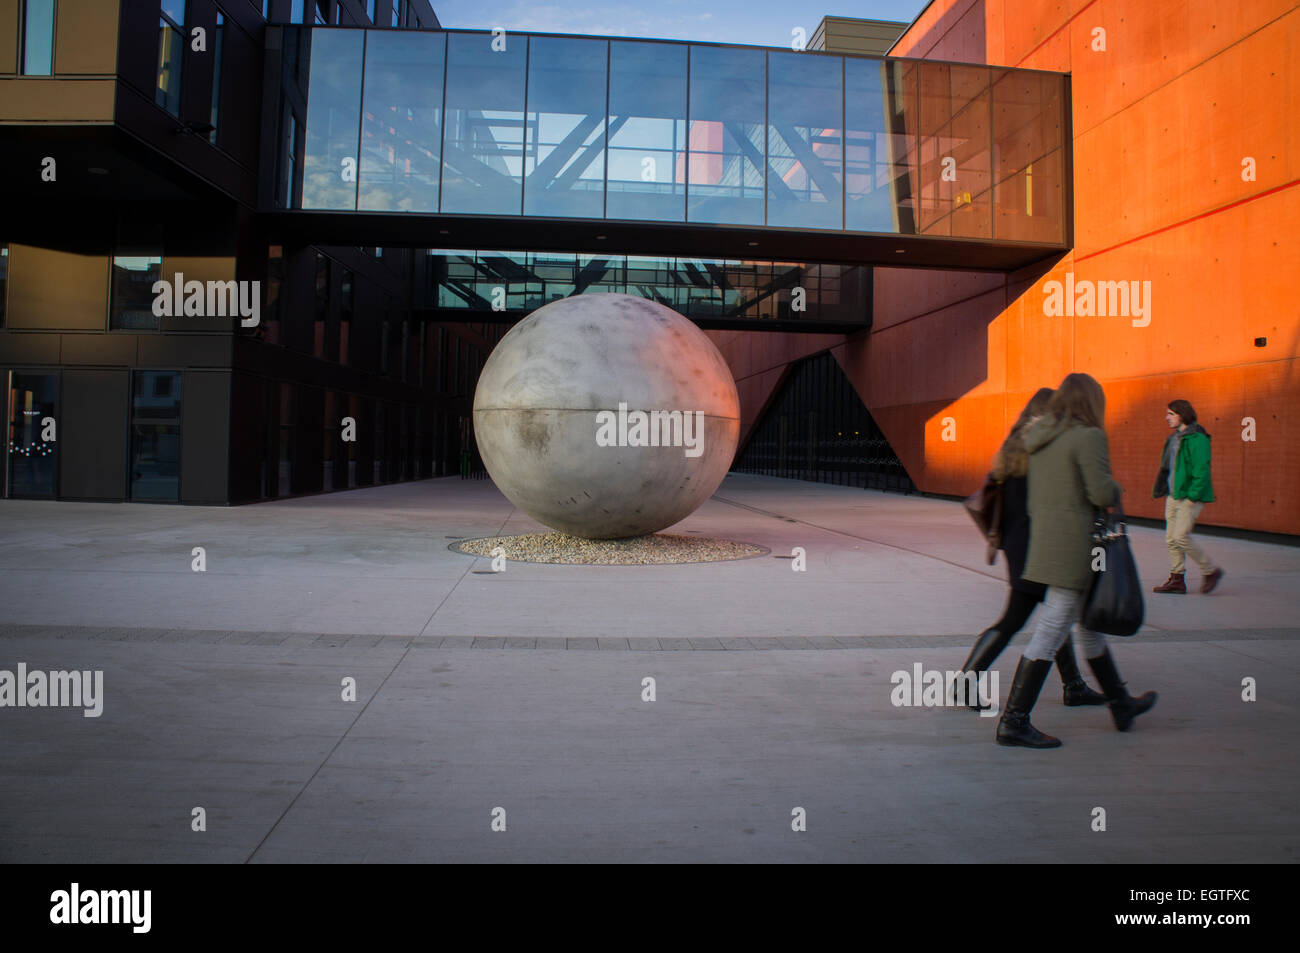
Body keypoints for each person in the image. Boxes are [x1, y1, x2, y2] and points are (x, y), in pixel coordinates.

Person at [995, 373, 1157, 748]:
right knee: (1052, 629)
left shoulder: (1039, 440)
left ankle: (1119, 703)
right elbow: (1101, 491)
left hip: (1049, 544)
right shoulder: (1088, 436)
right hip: (1077, 548)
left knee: (1087, 626)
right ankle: (1013, 721)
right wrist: (1117, 488)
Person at [957, 388, 1106, 710]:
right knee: (1016, 619)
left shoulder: (1013, 446)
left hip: (1017, 541)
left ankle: (1074, 684)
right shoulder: (1042, 447)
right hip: (1037, 544)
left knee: (1056, 613)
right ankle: (965, 683)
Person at [1151, 399, 1223, 594]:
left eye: (1171, 414)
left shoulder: (1197, 438)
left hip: (1189, 497)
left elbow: (1202, 470)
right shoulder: (1175, 438)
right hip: (1173, 495)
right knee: (1171, 539)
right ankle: (1177, 579)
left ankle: (1210, 571)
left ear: (1182, 414)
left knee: (1181, 537)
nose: (1167, 418)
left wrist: (1192, 497)